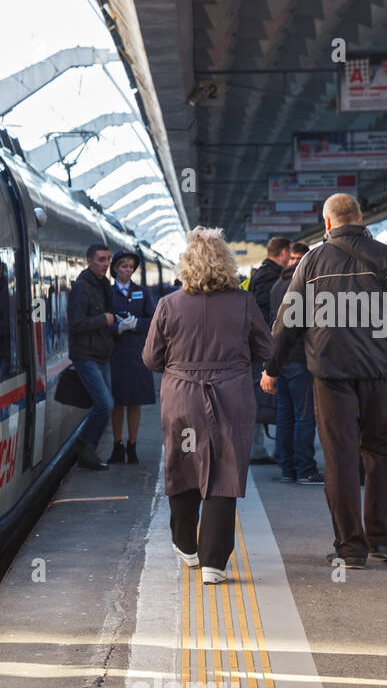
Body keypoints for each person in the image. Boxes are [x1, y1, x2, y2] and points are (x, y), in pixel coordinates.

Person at [262, 193, 387, 569]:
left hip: (331, 376)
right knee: (381, 452)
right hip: (382, 373)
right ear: (360, 218)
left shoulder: (312, 260)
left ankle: (350, 548)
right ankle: (383, 541)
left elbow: (288, 322)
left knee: (340, 458)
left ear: (328, 223)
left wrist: (272, 368)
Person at [143, 227, 273, 585]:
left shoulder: (168, 304)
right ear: (227, 264)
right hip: (231, 399)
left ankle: (186, 546)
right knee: (223, 474)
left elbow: (151, 359)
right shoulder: (244, 303)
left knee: (184, 466)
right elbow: (267, 350)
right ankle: (214, 563)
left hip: (183, 401)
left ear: (187, 264)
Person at [68, 243, 131, 469]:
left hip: (102, 353)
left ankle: (87, 450)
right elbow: (75, 323)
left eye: (107, 260)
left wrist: (118, 320)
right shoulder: (82, 287)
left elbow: (109, 314)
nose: (106, 264)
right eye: (101, 260)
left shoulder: (104, 284)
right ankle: (84, 445)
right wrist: (103, 320)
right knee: (105, 404)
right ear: (89, 261)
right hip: (85, 355)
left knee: (105, 404)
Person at [267, 242, 324, 485]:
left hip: (280, 360)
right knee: (304, 417)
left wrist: (272, 364)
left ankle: (287, 469)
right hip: (302, 359)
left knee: (285, 416)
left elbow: (274, 324)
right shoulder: (308, 286)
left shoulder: (277, 285)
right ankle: (305, 469)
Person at [106, 249, 154, 464]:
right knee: (116, 402)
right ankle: (117, 446)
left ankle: (132, 446)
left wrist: (136, 325)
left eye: (130, 266)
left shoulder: (142, 292)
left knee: (134, 402)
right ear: (115, 268)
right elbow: (101, 322)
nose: (128, 270)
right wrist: (117, 328)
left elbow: (152, 321)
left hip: (136, 353)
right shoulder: (107, 293)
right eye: (124, 266)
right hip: (115, 354)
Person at [249, 237, 292, 462]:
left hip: (259, 344)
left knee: (260, 396)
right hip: (265, 346)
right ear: (284, 253)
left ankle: (261, 448)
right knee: (263, 396)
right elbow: (269, 314)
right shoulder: (270, 276)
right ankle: (257, 449)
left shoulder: (260, 274)